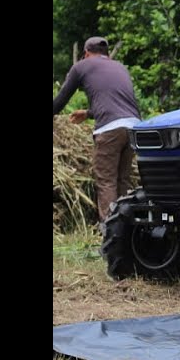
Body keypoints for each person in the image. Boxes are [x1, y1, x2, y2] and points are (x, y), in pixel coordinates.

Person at [53, 36, 142, 222]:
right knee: (122, 180)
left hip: (110, 130)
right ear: (106, 54)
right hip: (134, 127)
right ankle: (126, 230)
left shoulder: (81, 66)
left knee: (106, 181)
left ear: (86, 53)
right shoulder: (119, 67)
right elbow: (118, 102)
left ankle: (110, 231)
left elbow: (60, 101)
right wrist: (88, 113)